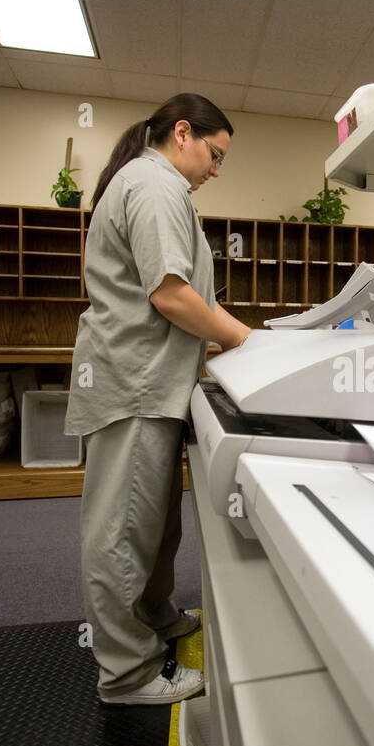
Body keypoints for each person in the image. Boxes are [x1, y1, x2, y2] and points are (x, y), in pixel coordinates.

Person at [64, 94, 251, 705]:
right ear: (181, 133)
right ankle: (127, 672)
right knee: (121, 530)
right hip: (133, 383)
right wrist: (245, 340)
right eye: (215, 155)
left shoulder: (161, 187)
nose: (216, 170)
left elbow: (192, 297)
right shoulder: (155, 185)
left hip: (152, 384)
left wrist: (245, 336)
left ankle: (156, 617)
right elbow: (171, 296)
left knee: (153, 521)